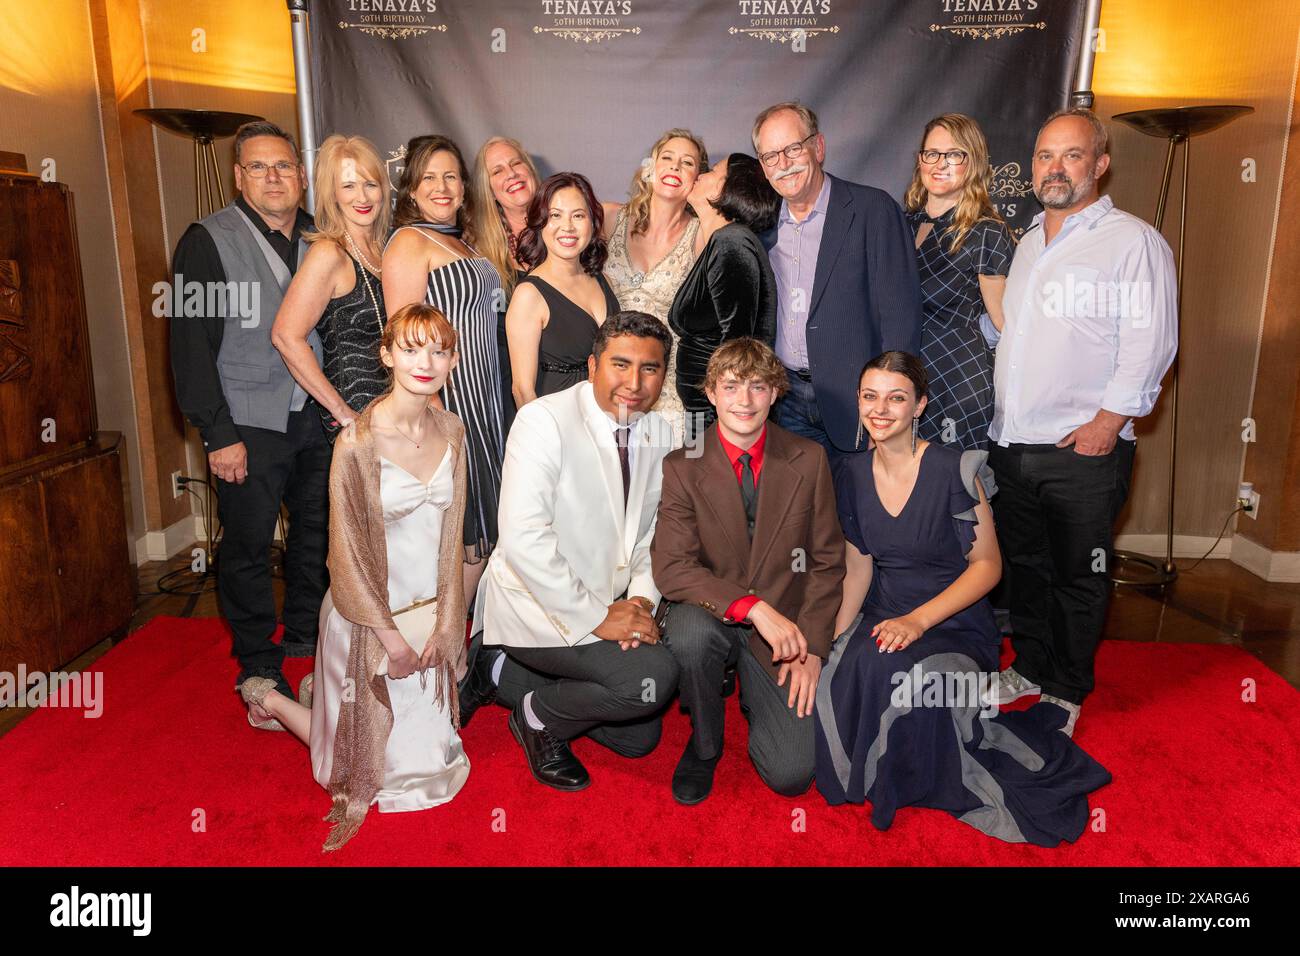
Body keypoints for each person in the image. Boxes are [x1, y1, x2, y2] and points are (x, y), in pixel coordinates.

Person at [815, 352, 1112, 845]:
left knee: (903, 676)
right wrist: (836, 634)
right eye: (870, 396)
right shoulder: (849, 472)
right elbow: (859, 565)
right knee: (847, 666)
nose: (880, 409)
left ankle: (907, 777)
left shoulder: (954, 469)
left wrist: (918, 621)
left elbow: (988, 567)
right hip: (885, 611)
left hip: (951, 621)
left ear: (920, 406)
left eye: (896, 398)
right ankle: (875, 771)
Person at [240, 303, 472, 851]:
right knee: (357, 768)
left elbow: (452, 539)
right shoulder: (356, 442)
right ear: (386, 355)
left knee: (436, 768)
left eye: (439, 351)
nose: (426, 362)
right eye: (412, 349)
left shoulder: (454, 432)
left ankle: (321, 704)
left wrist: (448, 623)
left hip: (429, 615)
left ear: (452, 361)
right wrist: (389, 640)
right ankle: (270, 700)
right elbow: (343, 558)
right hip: (366, 618)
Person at [984, 109, 1178, 734]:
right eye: (1044, 156)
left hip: (1081, 449)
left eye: (1071, 156)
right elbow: (1017, 334)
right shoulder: (1028, 241)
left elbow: (1151, 343)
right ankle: (1033, 668)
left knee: (1079, 575)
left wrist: (1107, 423)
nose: (1054, 168)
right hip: (1013, 444)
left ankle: (1065, 688)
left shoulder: (1133, 242)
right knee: (1029, 573)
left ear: (1099, 165)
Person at [462, 311, 681, 791]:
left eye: (651, 368)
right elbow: (524, 538)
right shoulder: (542, 420)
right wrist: (596, 617)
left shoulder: (664, 433)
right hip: (536, 605)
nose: (634, 382)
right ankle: (537, 717)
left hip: (614, 601)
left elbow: (656, 533)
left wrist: (641, 601)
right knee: (654, 677)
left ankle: (496, 672)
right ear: (592, 365)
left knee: (639, 737)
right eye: (620, 365)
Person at [169, 120, 328, 701]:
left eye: (284, 166)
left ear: (303, 175)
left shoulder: (322, 236)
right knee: (248, 543)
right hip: (247, 422)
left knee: (317, 537)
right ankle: (258, 662)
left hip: (315, 417)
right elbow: (189, 346)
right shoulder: (206, 240)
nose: (273, 177)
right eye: (258, 167)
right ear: (238, 176)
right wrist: (217, 434)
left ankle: (305, 643)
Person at [651, 338, 844, 804]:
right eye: (731, 386)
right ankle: (704, 744)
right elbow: (672, 568)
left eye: (758, 386)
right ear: (711, 393)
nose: (744, 400)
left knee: (792, 775)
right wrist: (752, 607)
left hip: (783, 631)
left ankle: (753, 691)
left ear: (776, 393)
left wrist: (814, 645)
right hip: (713, 614)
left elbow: (826, 561)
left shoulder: (810, 458)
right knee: (691, 635)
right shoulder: (681, 466)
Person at [752, 102, 923, 455]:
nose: (783, 164)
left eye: (793, 149)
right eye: (771, 156)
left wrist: (888, 405)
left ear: (818, 147)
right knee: (801, 508)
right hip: (785, 400)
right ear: (763, 167)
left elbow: (901, 315)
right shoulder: (762, 225)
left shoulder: (873, 210)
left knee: (857, 506)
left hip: (859, 401)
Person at [383, 134, 506, 609]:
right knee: (462, 532)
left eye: (451, 176)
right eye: (429, 177)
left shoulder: (465, 243)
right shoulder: (411, 242)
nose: (441, 186)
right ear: (411, 190)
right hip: (450, 405)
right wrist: (433, 414)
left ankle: (461, 648)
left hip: (487, 403)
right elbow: (406, 339)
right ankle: (446, 651)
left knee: (485, 530)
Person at [902, 113, 1014, 451]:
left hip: (958, 380)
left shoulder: (986, 231)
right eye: (932, 153)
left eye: (954, 154)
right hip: (905, 377)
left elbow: (1004, 325)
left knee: (961, 489)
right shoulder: (902, 224)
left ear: (974, 161)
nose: (940, 164)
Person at [271, 134, 390, 440]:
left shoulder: (385, 249)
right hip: (358, 422)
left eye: (370, 184)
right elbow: (286, 336)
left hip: (395, 415)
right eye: (349, 186)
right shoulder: (329, 252)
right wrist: (340, 411)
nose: (362, 197)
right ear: (333, 193)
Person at [602, 129, 707, 441]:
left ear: (697, 178)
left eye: (688, 163)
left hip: (669, 388)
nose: (675, 167)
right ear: (649, 167)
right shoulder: (610, 218)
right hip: (610, 381)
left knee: (668, 483)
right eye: (668, 158)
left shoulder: (703, 234)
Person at [667, 154, 780, 439]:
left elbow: (740, 342)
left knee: (717, 482)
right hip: (704, 411)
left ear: (728, 189)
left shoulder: (732, 242)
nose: (700, 175)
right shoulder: (721, 242)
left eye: (712, 171)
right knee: (696, 479)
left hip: (720, 417)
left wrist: (727, 413)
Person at [506, 172, 619, 404]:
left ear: (593, 222)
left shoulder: (604, 281)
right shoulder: (529, 295)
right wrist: (541, 439)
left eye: (578, 215)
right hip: (557, 427)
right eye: (555, 215)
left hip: (606, 423)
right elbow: (522, 390)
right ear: (540, 222)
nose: (567, 227)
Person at [472, 136, 542, 435]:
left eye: (516, 163)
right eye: (497, 171)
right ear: (487, 188)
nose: (511, 173)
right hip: (505, 390)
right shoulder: (476, 247)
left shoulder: (568, 229)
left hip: (565, 380)